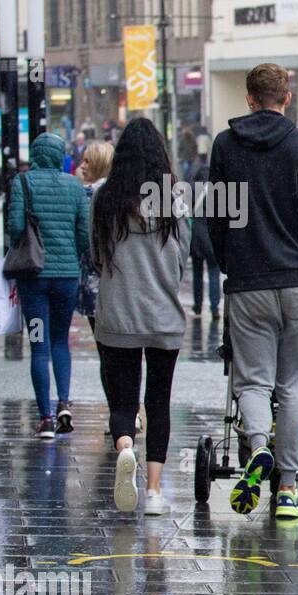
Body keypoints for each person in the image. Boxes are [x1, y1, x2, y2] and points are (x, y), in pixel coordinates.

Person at [207, 64, 298, 520]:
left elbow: (216, 216)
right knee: (292, 386)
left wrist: (230, 262)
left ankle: (255, 446)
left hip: (248, 282)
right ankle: (287, 490)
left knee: (251, 380)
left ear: (249, 98)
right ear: (287, 98)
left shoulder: (225, 147)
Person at [90, 118, 189, 516]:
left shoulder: (103, 197)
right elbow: (183, 256)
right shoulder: (175, 199)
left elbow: (95, 255)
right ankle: (152, 492)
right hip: (163, 314)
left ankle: (125, 446)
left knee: (123, 399)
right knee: (159, 400)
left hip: (117, 314)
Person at [7, 133, 91, 439]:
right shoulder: (74, 186)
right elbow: (84, 234)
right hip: (66, 278)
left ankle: (44, 418)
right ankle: (64, 403)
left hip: (33, 279)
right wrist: (71, 253)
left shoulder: (23, 183)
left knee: (39, 346)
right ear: (60, 155)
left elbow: (16, 228)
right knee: (60, 341)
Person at [76, 141, 115, 333]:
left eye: (87, 162)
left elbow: (83, 239)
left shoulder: (88, 195)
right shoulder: (117, 194)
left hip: (94, 279)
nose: (81, 166)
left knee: (104, 347)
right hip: (115, 281)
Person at [189, 160, 222, 320]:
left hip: (196, 237)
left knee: (197, 274)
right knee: (214, 273)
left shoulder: (193, 189)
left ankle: (197, 307)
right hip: (213, 237)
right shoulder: (218, 190)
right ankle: (215, 308)